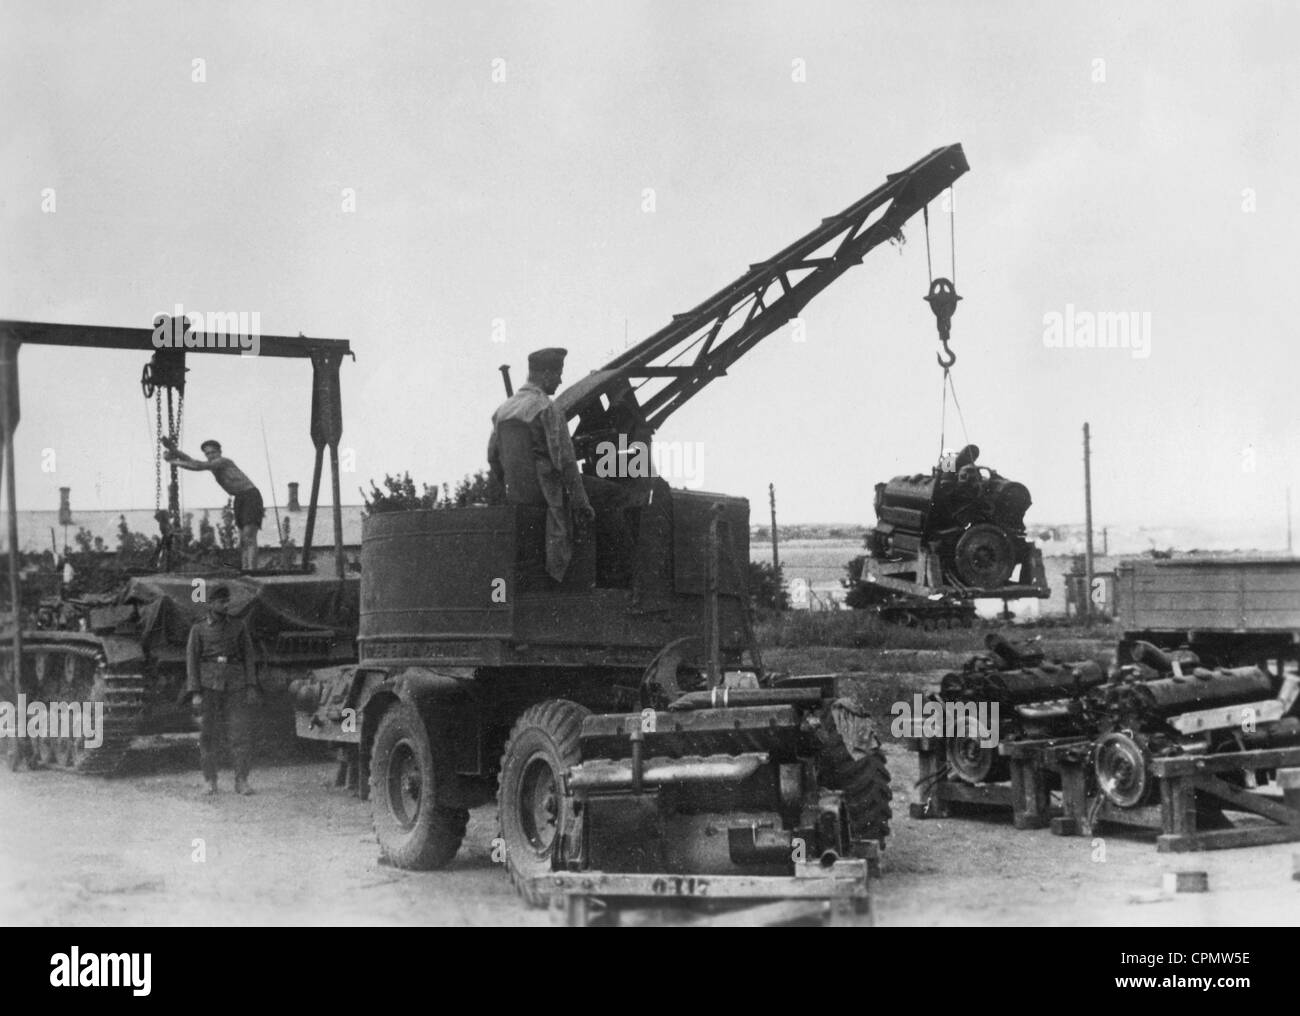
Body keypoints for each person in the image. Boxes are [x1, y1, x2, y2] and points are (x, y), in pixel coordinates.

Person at [488, 347, 634, 584]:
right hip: (549, 493)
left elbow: (493, 458)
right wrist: (582, 505)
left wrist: (512, 485)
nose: (561, 380)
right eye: (558, 374)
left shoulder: (503, 411)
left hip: (521, 496)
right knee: (615, 494)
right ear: (545, 374)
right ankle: (618, 578)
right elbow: (566, 464)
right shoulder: (547, 409)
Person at [179, 584, 260, 795]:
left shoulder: (238, 626)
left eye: (227, 601)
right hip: (208, 686)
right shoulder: (198, 629)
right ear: (210, 604)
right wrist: (195, 692)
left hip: (235, 685)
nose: (226, 605)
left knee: (239, 734)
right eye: (222, 601)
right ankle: (210, 781)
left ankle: (241, 780)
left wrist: (250, 685)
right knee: (208, 735)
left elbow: (249, 657)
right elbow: (192, 661)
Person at [162, 437, 264, 569]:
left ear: (219, 452)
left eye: (213, 452)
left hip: (250, 496)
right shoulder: (213, 465)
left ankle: (252, 571)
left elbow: (198, 465)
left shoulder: (223, 461)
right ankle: (246, 570)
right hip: (239, 498)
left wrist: (173, 461)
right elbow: (192, 461)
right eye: (207, 454)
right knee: (242, 540)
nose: (210, 456)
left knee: (249, 536)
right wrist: (173, 450)